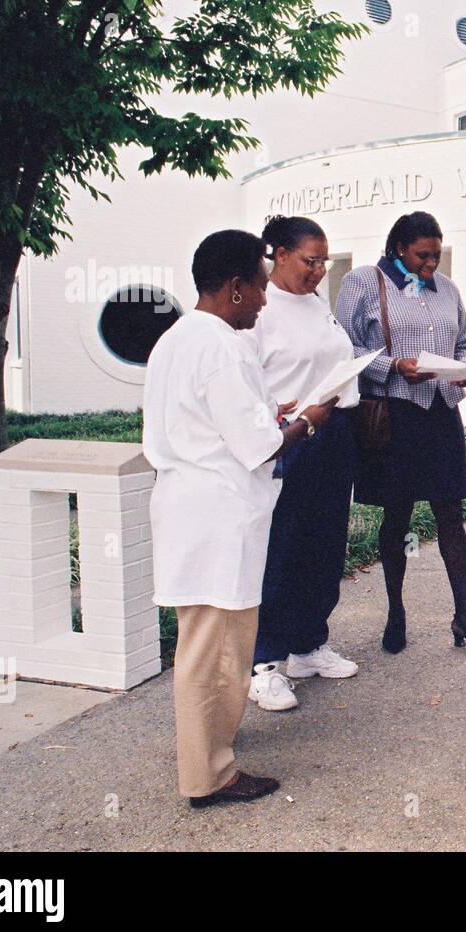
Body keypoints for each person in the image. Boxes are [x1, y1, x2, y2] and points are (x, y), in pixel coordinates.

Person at [144, 229, 335, 807]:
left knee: (212, 645)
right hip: (216, 515)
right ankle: (209, 776)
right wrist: (309, 420)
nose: (262, 299)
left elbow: (218, 419)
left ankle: (211, 751)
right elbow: (260, 446)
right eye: (257, 287)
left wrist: (267, 413)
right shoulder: (223, 346)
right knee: (213, 652)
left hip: (199, 508)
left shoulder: (179, 339)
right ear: (233, 289)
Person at [335, 211, 466, 656]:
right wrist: (391, 366)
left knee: (452, 514)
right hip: (394, 416)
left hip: (440, 413)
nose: (432, 264)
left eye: (437, 255)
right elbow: (343, 348)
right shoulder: (364, 283)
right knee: (397, 517)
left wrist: (461, 371)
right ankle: (395, 612)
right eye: (422, 256)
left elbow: (461, 339)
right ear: (399, 250)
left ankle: (465, 616)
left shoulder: (447, 289)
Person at [244, 215, 360, 713]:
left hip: (333, 433)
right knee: (282, 545)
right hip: (290, 439)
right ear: (280, 255)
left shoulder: (316, 302)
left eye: (323, 262)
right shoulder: (259, 311)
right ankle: (264, 661)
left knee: (325, 541)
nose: (318, 271)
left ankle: (308, 645)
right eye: (310, 262)